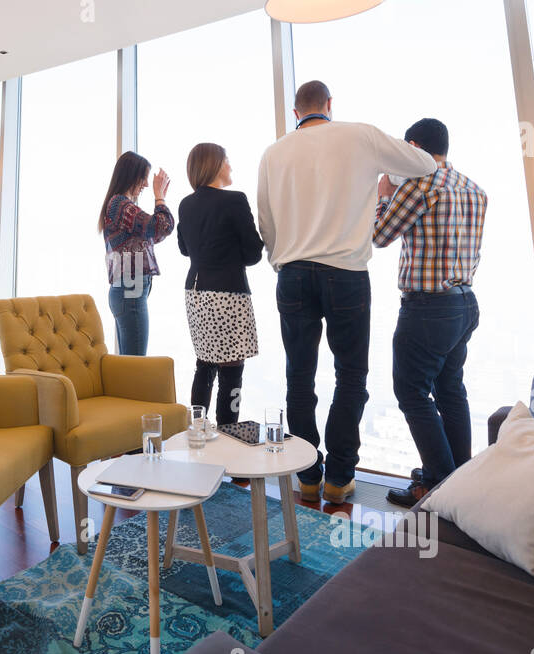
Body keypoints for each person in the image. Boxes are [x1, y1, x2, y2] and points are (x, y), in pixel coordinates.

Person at [257, 81, 437, 505]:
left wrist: (280, 259)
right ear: (329, 105)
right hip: (346, 274)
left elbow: (264, 218)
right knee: (351, 375)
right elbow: (425, 164)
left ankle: (307, 477)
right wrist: (385, 182)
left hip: (294, 274)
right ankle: (339, 477)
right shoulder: (361, 135)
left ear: (295, 110)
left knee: (298, 376)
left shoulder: (274, 152)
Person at [373, 118, 488, 507]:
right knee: (451, 391)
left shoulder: (421, 185)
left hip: (428, 307)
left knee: (411, 391)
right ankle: (460, 482)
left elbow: (379, 234)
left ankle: (438, 486)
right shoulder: (474, 189)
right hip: (464, 303)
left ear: (414, 147)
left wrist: (383, 195)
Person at [176, 142, 263, 425]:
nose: (230, 165)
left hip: (196, 292)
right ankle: (229, 435)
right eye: (227, 160)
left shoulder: (185, 204)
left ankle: (197, 431)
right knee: (232, 370)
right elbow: (253, 253)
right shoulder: (234, 200)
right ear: (214, 164)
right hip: (227, 294)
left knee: (204, 364)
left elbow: (184, 249)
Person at [98, 150, 173, 355]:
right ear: (131, 176)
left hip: (129, 288)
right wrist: (160, 197)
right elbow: (162, 226)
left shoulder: (121, 206)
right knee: (135, 365)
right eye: (144, 178)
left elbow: (155, 234)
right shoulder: (120, 204)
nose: (146, 184)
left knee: (129, 364)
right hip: (130, 289)